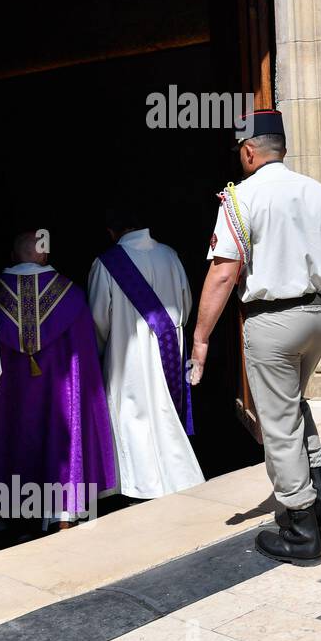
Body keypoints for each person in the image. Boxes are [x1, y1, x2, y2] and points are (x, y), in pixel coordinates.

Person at [190, 110, 321, 567]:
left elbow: (224, 273)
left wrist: (201, 337)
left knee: (278, 423)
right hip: (320, 318)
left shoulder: (239, 200)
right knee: (291, 402)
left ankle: (300, 527)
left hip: (274, 322)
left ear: (248, 152)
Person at [0, 230, 115, 527]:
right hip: (59, 389)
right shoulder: (70, 295)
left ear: (12, 257)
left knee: (8, 434)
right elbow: (85, 356)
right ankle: (62, 510)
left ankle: (5, 512)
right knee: (60, 433)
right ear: (45, 256)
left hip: (9, 390)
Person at [88, 208, 204, 500]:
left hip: (127, 352)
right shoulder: (170, 255)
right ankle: (178, 475)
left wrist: (103, 349)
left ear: (112, 233)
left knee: (133, 415)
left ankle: (136, 484)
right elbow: (186, 304)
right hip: (168, 346)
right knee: (164, 411)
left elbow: (98, 318)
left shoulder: (106, 263)